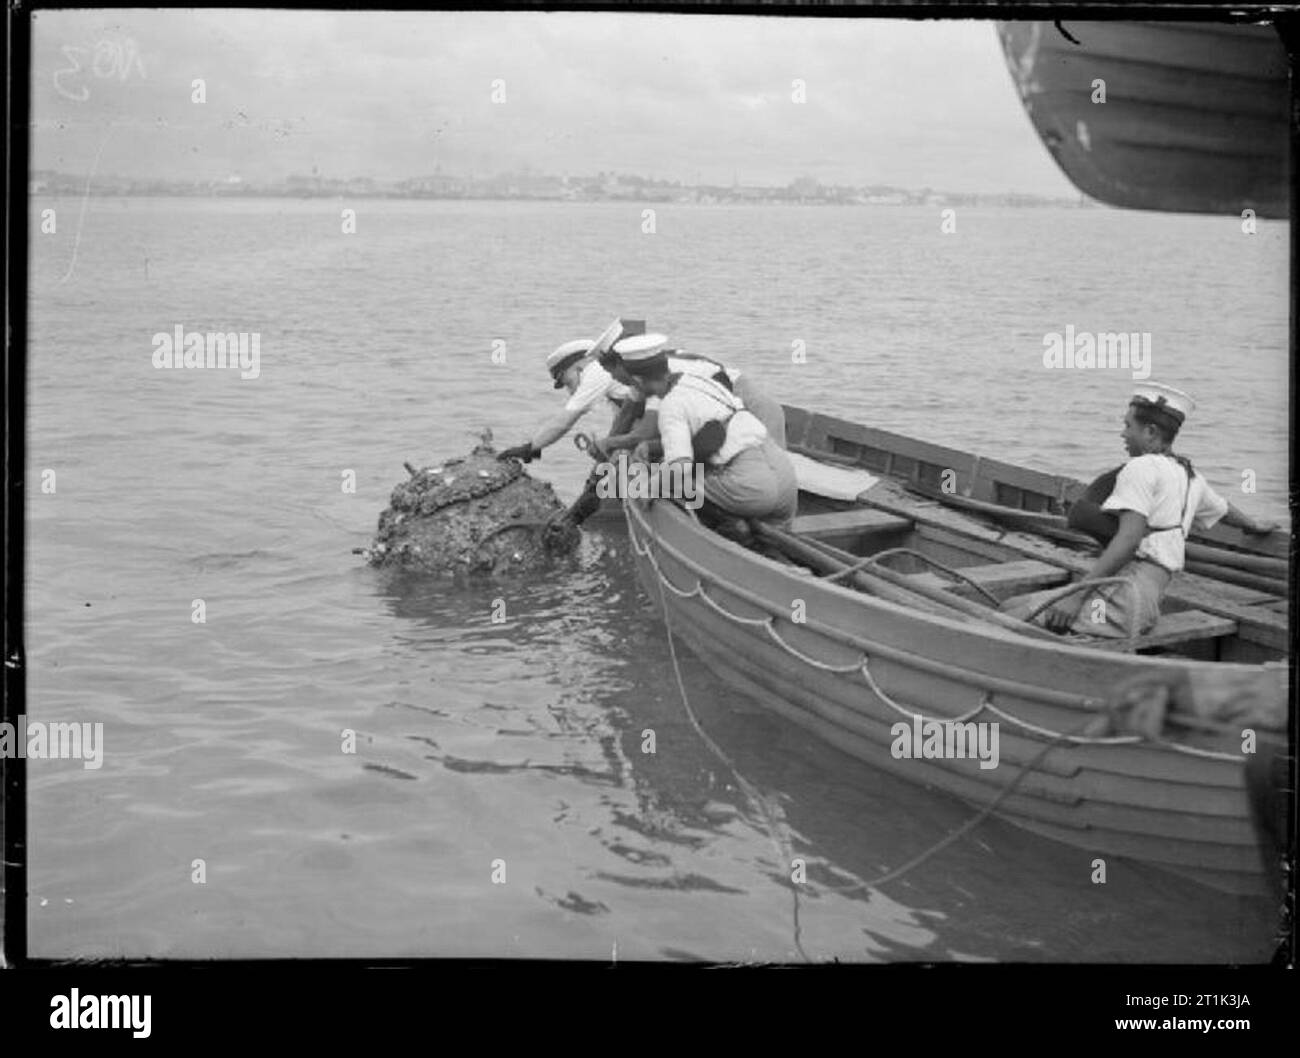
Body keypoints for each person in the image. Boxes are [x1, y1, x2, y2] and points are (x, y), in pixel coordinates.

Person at [1001, 383, 1277, 638]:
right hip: (1142, 599)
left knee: (1009, 613)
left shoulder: (1140, 468)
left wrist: (1075, 596)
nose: (1123, 433)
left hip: (1123, 599)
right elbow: (1223, 509)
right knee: (1018, 606)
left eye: (1128, 425)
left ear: (1150, 432)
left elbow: (1129, 539)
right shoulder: (1190, 476)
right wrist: (1252, 525)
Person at [618, 335, 798, 532]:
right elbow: (715, 432)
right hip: (786, 479)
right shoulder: (702, 381)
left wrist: (647, 488)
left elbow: (680, 467)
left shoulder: (671, 405)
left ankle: (732, 525)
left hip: (753, 490)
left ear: (636, 380)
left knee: (668, 483)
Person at [597, 336, 787, 454]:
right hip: (718, 404)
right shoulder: (642, 375)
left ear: (621, 366)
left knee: (771, 459)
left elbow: (646, 432)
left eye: (611, 371)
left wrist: (609, 443)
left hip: (744, 397)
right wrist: (604, 449)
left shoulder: (656, 378)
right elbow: (626, 416)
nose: (612, 378)